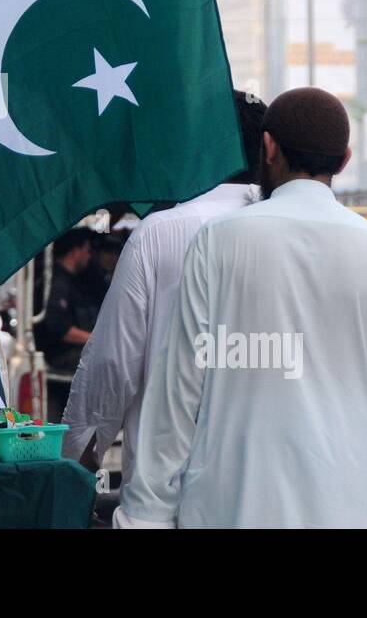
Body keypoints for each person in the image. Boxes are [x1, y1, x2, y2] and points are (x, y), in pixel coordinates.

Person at [117, 87, 367, 528]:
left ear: (267, 147)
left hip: (233, 510)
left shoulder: (219, 242)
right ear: (344, 160)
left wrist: (145, 518)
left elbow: (177, 396)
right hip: (360, 513)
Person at [63, 90, 267, 481]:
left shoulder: (159, 233)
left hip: (164, 492)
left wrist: (77, 468)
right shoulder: (297, 235)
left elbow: (111, 364)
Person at [35, 229, 101, 374]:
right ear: (76, 252)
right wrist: (98, 341)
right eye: (87, 251)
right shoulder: (57, 283)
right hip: (61, 355)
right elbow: (58, 325)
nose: (89, 257)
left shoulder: (74, 281)